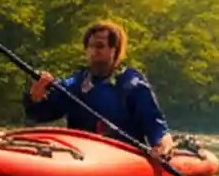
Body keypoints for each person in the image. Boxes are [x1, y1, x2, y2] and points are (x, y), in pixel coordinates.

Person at [22, 21, 175, 158]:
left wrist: (163, 143)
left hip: (124, 158)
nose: (94, 51)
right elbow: (41, 114)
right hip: (82, 157)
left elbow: (154, 123)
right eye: (90, 46)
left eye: (100, 46)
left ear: (115, 50)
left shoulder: (132, 84)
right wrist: (35, 98)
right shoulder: (75, 84)